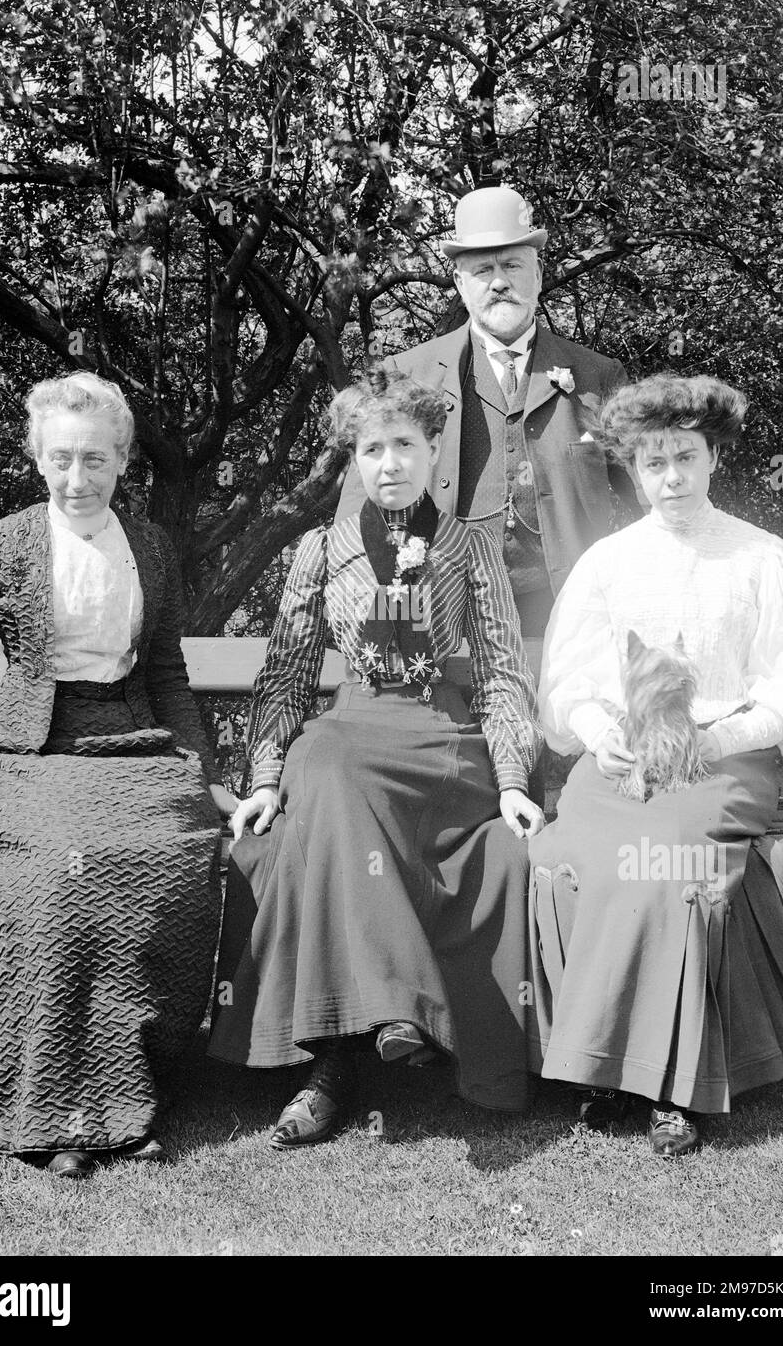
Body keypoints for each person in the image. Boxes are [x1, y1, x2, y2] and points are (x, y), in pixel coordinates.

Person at [209, 367, 545, 1148]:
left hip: (440, 734)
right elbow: (287, 676)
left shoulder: (469, 547)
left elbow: (500, 674)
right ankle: (373, 1027)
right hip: (352, 725)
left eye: (403, 445)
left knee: (462, 836)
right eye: (370, 449)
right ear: (353, 462)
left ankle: (342, 1053)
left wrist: (512, 782)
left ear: (433, 454)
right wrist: (262, 780)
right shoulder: (320, 550)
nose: (387, 463)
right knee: (320, 768)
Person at [0, 372, 225, 1178]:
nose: (77, 479)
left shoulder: (151, 548)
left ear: (123, 460)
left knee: (161, 855)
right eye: (61, 459)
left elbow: (166, 672)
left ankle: (121, 1089)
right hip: (28, 755)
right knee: (59, 875)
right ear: (36, 456)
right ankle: (43, 1106)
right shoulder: (3, 539)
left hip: (133, 747)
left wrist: (198, 769)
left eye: (95, 460)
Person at [526, 373, 783, 1156]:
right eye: (652, 463)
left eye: (684, 459)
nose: (669, 479)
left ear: (712, 459)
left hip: (722, 762)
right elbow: (571, 685)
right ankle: (595, 1062)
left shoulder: (761, 558)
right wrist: (601, 734)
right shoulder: (606, 563)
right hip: (626, 761)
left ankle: (668, 1084)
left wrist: (715, 741)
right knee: (563, 856)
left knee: (663, 865)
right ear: (632, 469)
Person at [335, 185, 640, 639]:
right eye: (482, 270)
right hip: (441, 614)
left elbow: (649, 499)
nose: (499, 282)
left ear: (537, 276)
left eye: (513, 266)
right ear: (460, 284)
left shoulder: (599, 376)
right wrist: (377, 623)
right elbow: (361, 513)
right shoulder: (407, 374)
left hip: (568, 618)